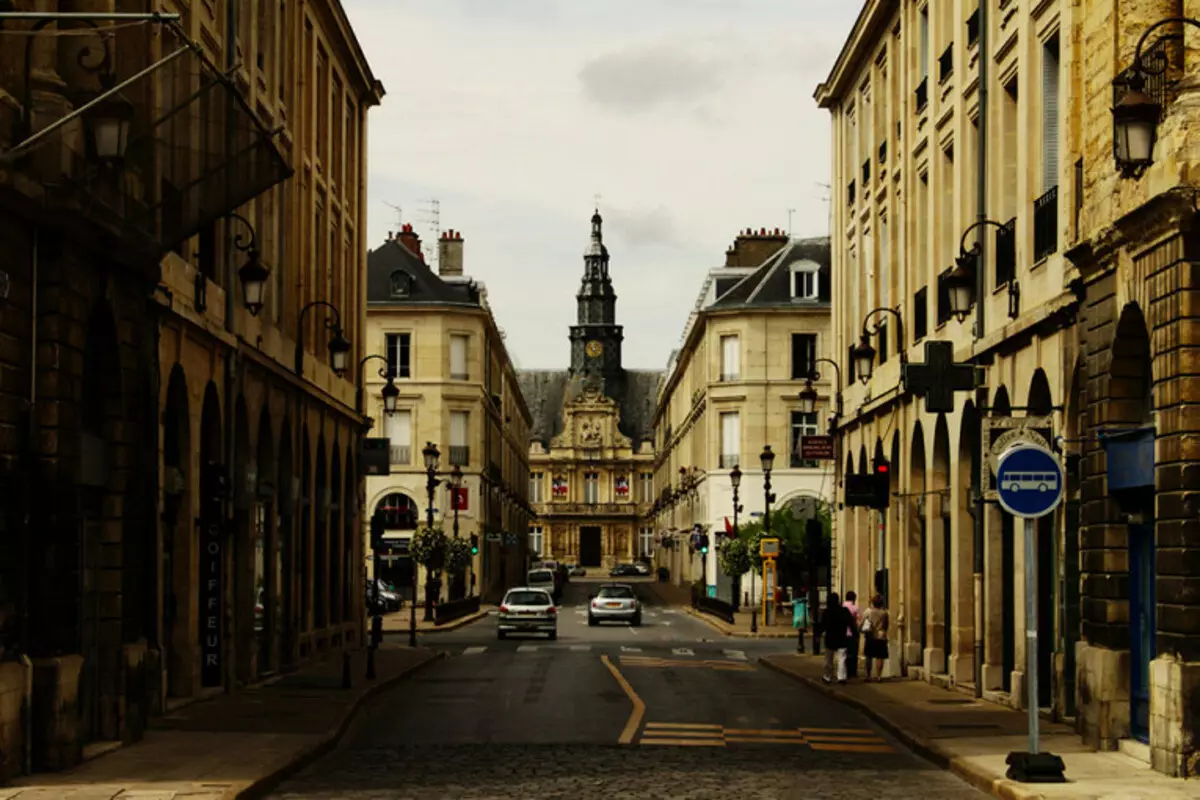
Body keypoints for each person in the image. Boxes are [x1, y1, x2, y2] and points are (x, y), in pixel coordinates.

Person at [821, 593, 853, 684]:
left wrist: (818, 634)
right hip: (842, 637)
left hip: (830, 637)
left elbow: (823, 625)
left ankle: (827, 676)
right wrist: (855, 633)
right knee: (842, 658)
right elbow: (850, 623)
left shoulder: (827, 612)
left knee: (828, 659)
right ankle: (841, 677)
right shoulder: (844, 611)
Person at [862, 594, 890, 681]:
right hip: (880, 636)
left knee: (868, 656)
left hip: (870, 635)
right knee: (879, 656)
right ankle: (878, 676)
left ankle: (867, 675)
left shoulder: (868, 612)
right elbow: (886, 626)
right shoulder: (885, 613)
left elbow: (863, 621)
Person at [844, 590, 862, 680]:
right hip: (852, 632)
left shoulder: (842, 606)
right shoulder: (855, 608)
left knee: (845, 653)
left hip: (843, 633)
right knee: (853, 653)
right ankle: (852, 672)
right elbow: (859, 620)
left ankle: (845, 671)